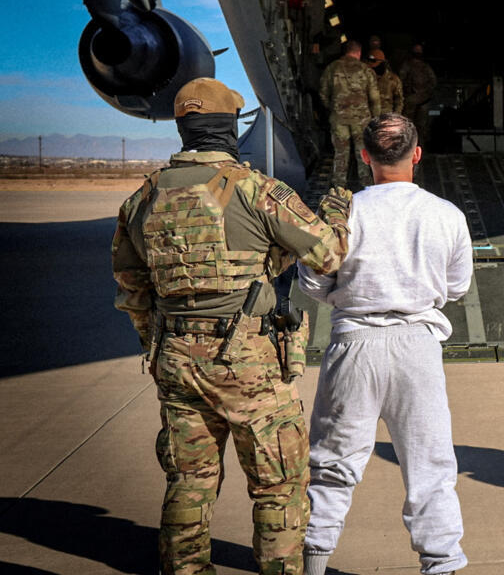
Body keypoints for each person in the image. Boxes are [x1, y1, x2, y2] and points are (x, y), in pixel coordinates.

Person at [111, 77, 352, 575]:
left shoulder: (142, 199)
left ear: (184, 128)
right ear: (227, 127)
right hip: (249, 364)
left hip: (175, 358)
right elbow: (329, 255)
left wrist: (160, 346)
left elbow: (133, 290)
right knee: (279, 484)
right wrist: (338, 213)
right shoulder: (257, 189)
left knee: (188, 480)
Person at [299, 113, 472, 575]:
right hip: (418, 348)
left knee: (332, 466)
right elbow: (456, 288)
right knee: (431, 469)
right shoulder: (446, 215)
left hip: (353, 345)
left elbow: (314, 285)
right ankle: (441, 564)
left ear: (364, 157)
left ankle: (313, 563)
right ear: (417, 155)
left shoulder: (343, 214)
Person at [321, 40, 381, 188]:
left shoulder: (332, 68)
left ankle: (338, 188)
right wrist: (376, 119)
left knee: (341, 153)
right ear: (359, 53)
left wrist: (333, 109)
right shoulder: (365, 70)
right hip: (361, 120)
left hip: (339, 119)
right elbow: (374, 98)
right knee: (363, 153)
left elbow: (323, 93)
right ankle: (366, 185)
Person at [400, 43, 438, 149]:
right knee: (408, 126)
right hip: (411, 100)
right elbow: (401, 80)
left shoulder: (425, 67)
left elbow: (433, 82)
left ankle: (420, 148)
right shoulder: (407, 65)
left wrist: (426, 94)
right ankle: (408, 148)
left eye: (419, 51)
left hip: (422, 101)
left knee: (421, 128)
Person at [368, 48, 404, 116]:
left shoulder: (393, 79)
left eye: (375, 64)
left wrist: (395, 117)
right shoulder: (366, 77)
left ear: (382, 63)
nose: (372, 67)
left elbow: (399, 101)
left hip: (386, 117)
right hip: (369, 117)